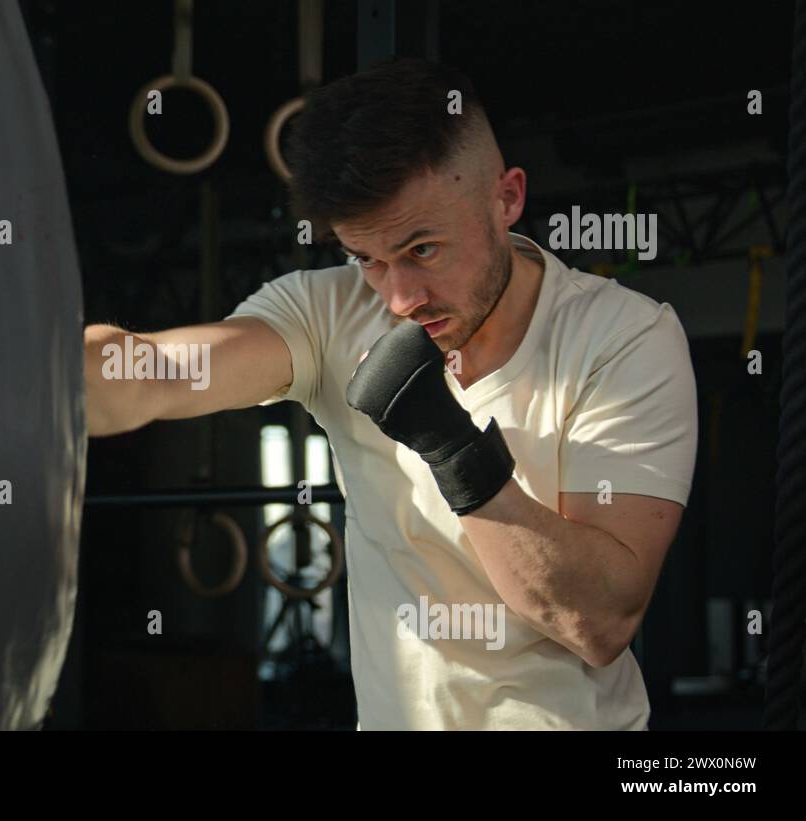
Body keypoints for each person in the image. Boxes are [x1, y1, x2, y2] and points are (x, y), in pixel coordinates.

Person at [83, 58, 697, 730]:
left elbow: (598, 619)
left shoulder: (623, 337)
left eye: (423, 249)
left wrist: (450, 442)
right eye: (368, 258)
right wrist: (11, 375)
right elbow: (151, 376)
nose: (399, 298)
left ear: (507, 197)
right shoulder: (328, 315)